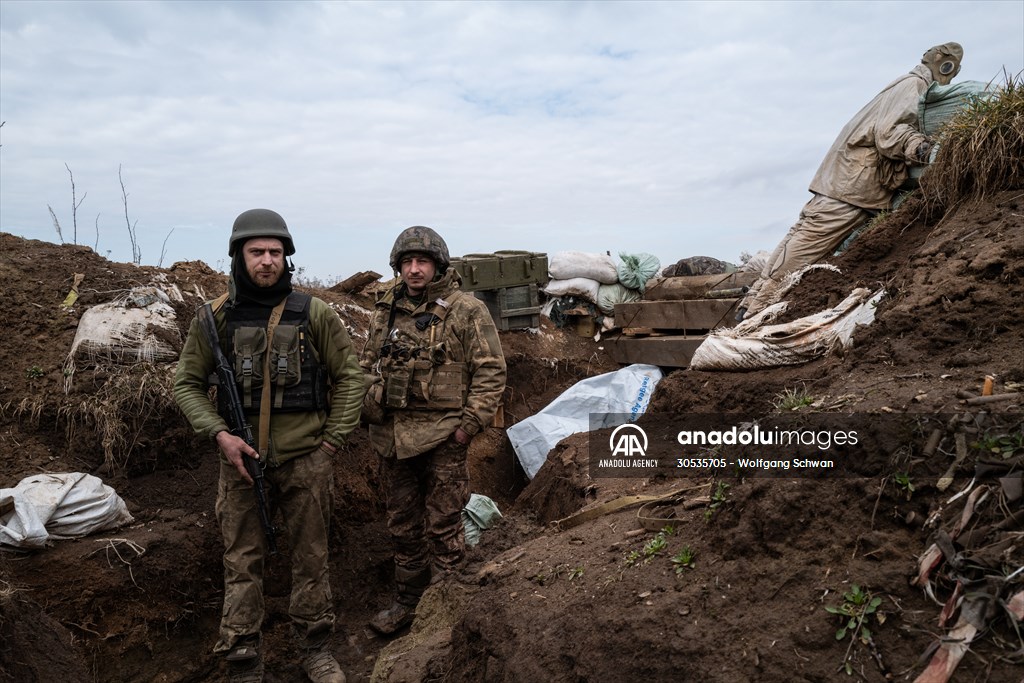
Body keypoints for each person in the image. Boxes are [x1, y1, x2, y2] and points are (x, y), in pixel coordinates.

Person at [173, 209, 364, 683]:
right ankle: (242, 657)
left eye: (275, 252)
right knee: (241, 560)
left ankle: (315, 647)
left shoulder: (314, 313)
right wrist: (220, 434)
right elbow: (187, 384)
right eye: (256, 251)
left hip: (306, 460)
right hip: (239, 462)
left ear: (286, 257)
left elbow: (350, 378)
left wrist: (330, 444)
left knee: (312, 556)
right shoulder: (213, 318)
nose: (266, 260)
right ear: (238, 256)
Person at [737, 42, 963, 320]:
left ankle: (749, 307)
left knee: (795, 242)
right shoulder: (914, 85)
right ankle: (756, 316)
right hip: (852, 187)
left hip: (841, 183)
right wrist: (922, 148)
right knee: (802, 252)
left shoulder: (899, 84)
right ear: (946, 67)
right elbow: (890, 131)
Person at [360, 226, 506, 635]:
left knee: (444, 523)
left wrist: (468, 427)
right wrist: (369, 402)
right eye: (407, 262)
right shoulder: (385, 308)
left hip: (444, 436)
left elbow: (491, 372)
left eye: (422, 261)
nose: (414, 269)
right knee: (402, 525)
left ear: (438, 265)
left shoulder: (466, 310)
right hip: (393, 438)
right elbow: (365, 365)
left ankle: (448, 607)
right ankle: (408, 602)